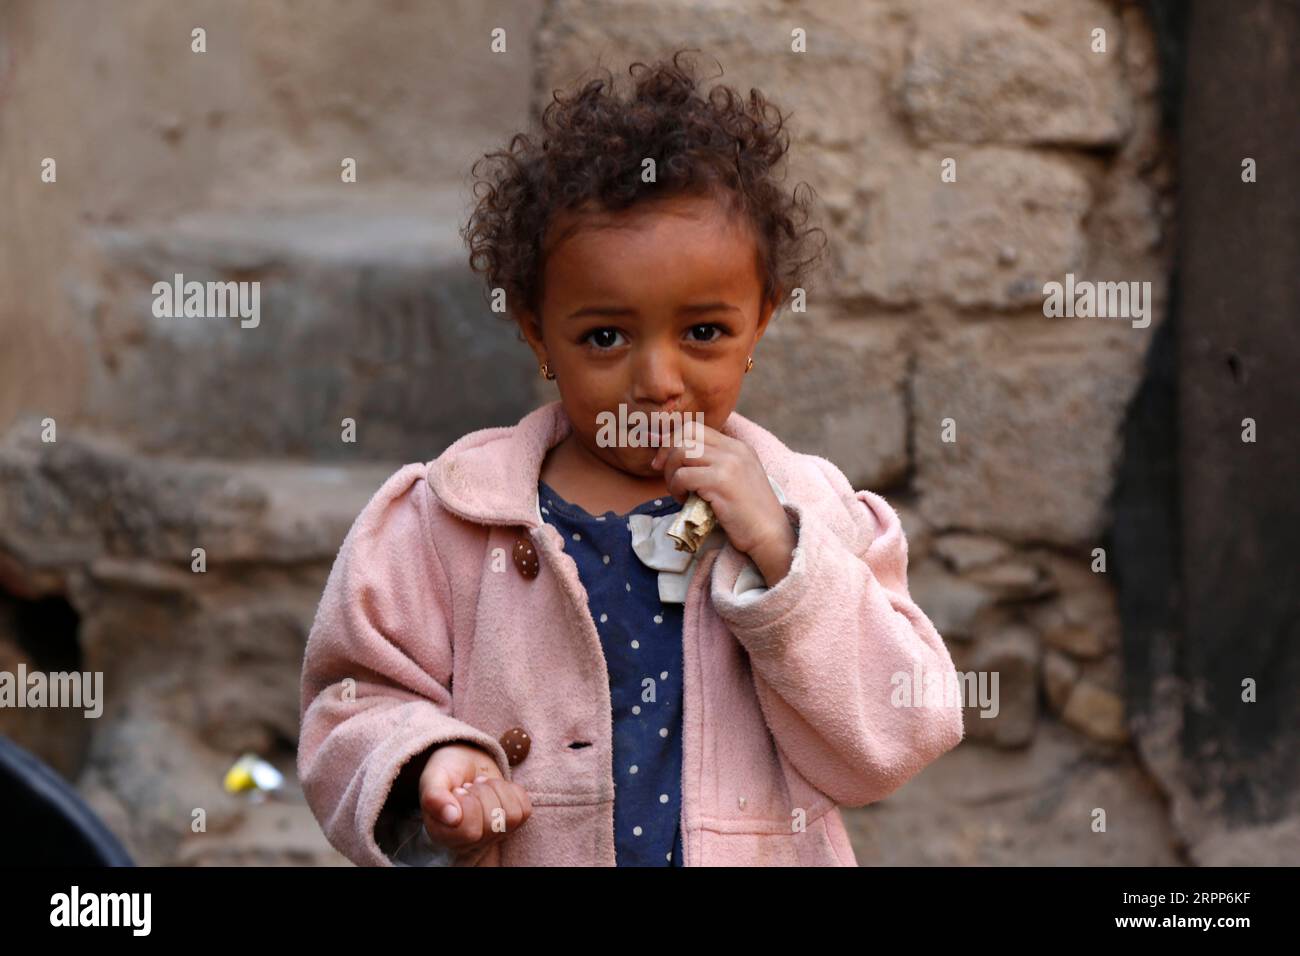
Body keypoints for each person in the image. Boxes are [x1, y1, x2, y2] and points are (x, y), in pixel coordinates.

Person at [297, 51, 964, 867]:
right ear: (538, 334)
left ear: (761, 323)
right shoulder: (449, 518)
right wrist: (433, 756)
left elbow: (901, 735)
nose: (657, 381)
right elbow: (349, 706)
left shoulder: (809, 511)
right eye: (605, 337)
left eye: (705, 333)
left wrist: (787, 564)